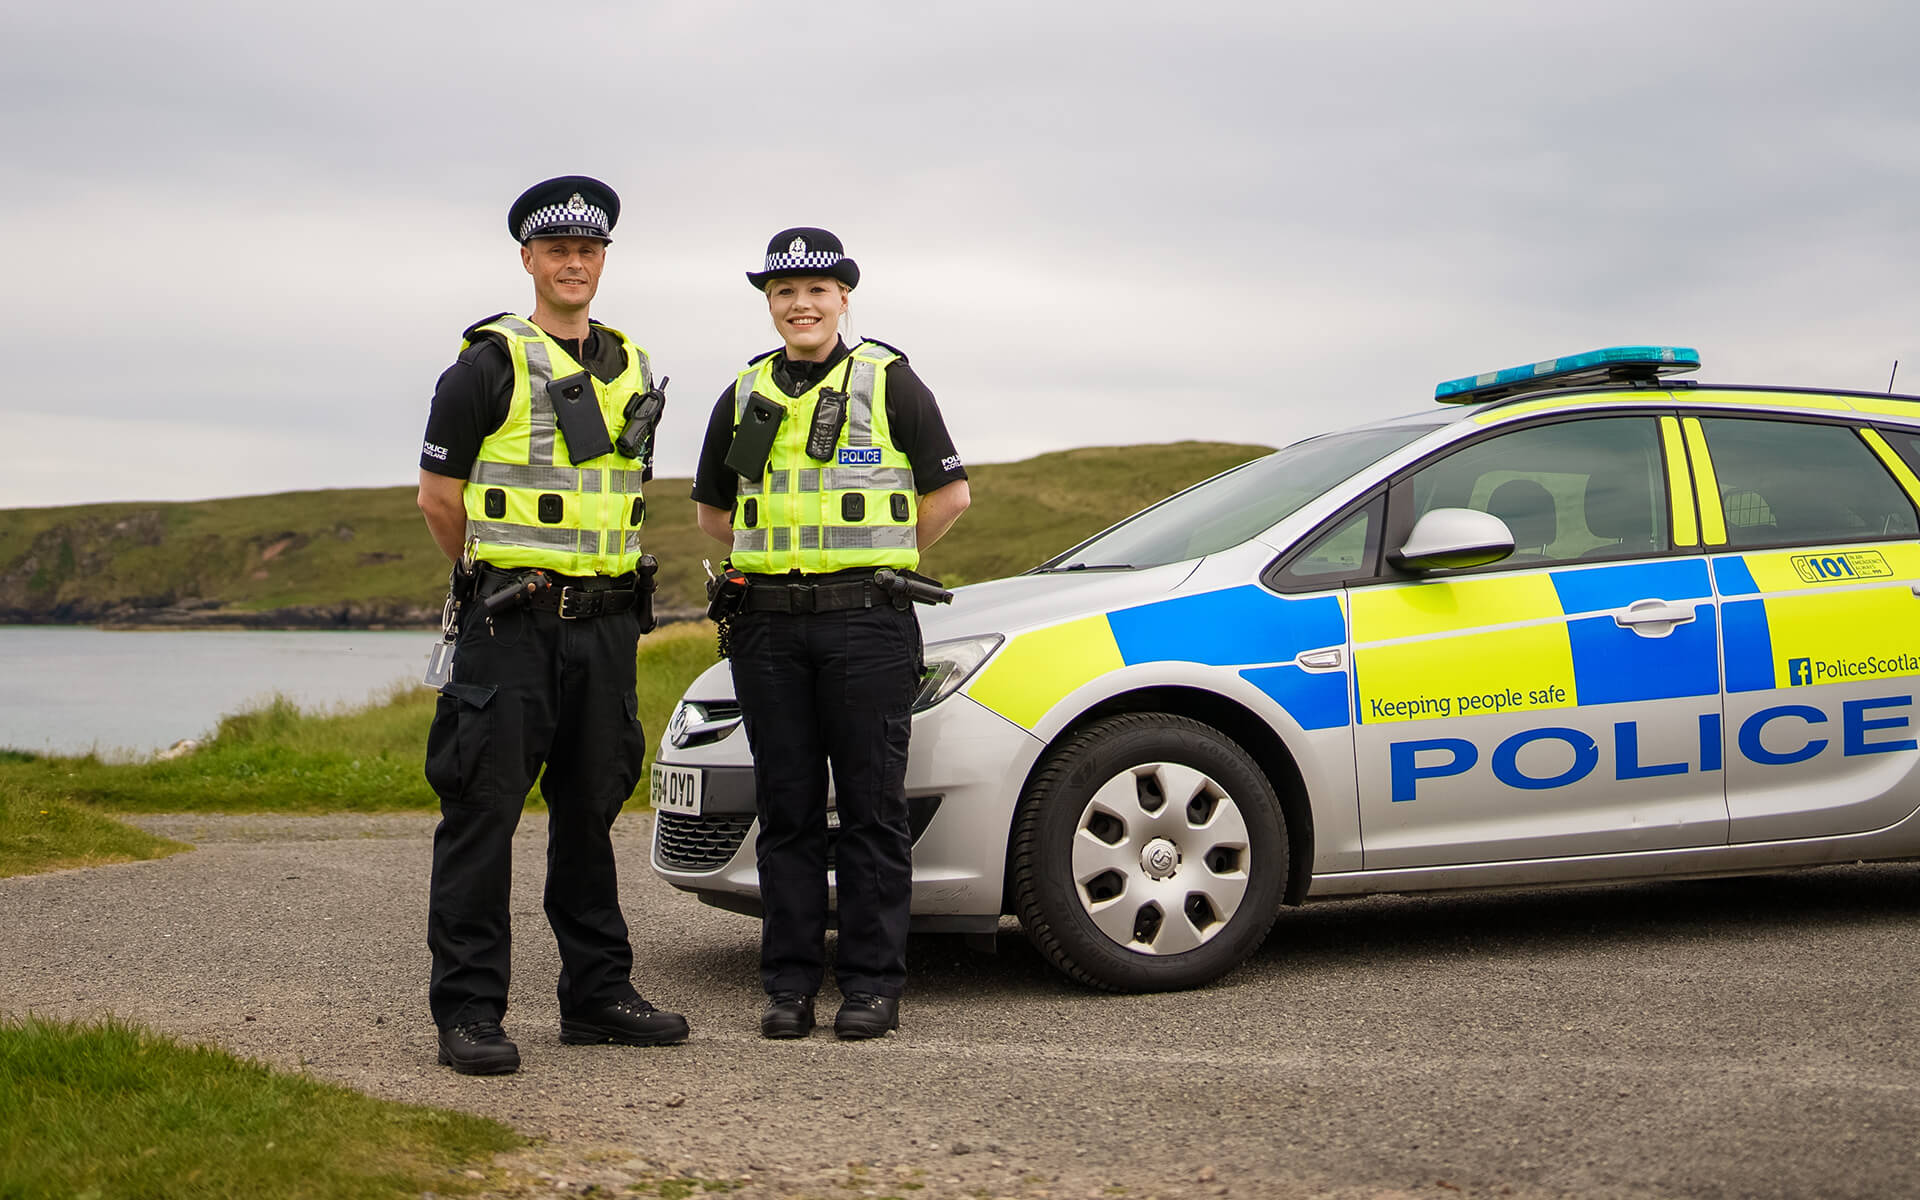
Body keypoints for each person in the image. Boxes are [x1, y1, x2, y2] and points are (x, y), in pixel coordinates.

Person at [415, 175, 686, 1075]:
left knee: (590, 812)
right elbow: (439, 497)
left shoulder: (636, 364)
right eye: (558, 249)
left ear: (603, 260)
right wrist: (488, 576)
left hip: (605, 628)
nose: (575, 262)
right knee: (482, 814)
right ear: (528, 259)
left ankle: (597, 994)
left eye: (590, 249)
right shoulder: (485, 363)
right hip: (511, 622)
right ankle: (469, 1012)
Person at [691, 227, 971, 1040]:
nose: (800, 305)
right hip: (768, 630)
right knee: (787, 812)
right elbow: (714, 515)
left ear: (843, 298)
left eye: (816, 291)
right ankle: (786, 988)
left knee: (873, 810)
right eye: (784, 293)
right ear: (770, 304)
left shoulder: (891, 381)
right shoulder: (743, 393)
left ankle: (872, 986)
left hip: (868, 624)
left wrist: (877, 561)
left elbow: (949, 498)